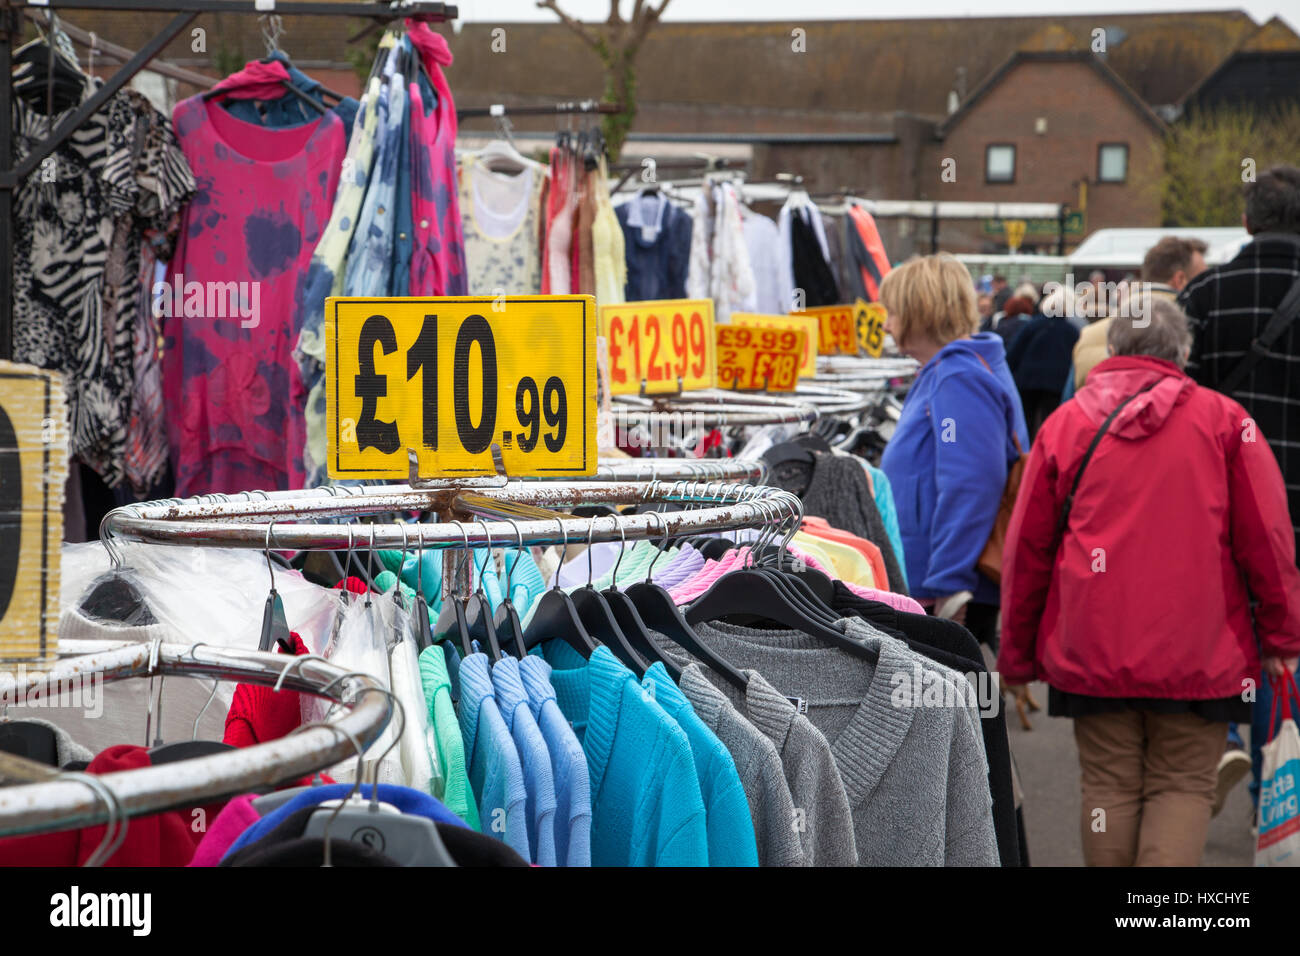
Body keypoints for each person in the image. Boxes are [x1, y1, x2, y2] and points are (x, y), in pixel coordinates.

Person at [997, 299, 1300, 866]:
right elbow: (1270, 541)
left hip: (1092, 647)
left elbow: (1027, 552)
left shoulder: (1064, 424)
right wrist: (1283, 638)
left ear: (1111, 351)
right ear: (1184, 353)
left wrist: (1015, 658)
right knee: (1183, 786)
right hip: (1201, 651)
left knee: (1107, 787)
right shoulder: (1229, 423)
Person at [879, 253, 1029, 648]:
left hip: (944, 588)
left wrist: (951, 582)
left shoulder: (958, 376)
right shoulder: (956, 370)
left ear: (919, 311)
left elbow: (972, 483)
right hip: (940, 579)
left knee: (944, 703)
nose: (886, 323)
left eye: (893, 312)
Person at [1065, 236, 1208, 398]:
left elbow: (1070, 403)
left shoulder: (1089, 335)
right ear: (1180, 279)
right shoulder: (1197, 330)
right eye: (1203, 277)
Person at [1006, 285, 1081, 440]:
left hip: (1027, 380)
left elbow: (1014, 352)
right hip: (1057, 383)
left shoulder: (1032, 325)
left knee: (1026, 421)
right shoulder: (1071, 331)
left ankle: (1025, 454)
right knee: (1050, 422)